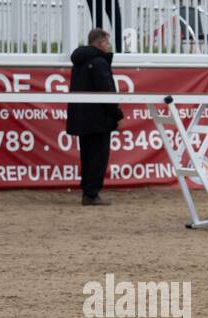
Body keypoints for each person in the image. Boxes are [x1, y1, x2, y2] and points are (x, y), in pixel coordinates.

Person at [67, 28, 123, 207]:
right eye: (107, 42)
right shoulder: (99, 62)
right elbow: (107, 91)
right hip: (98, 118)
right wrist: (117, 114)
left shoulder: (80, 61)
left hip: (83, 117)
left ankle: (88, 192)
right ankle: (92, 194)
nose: (109, 46)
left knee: (87, 156)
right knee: (98, 158)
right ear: (100, 43)